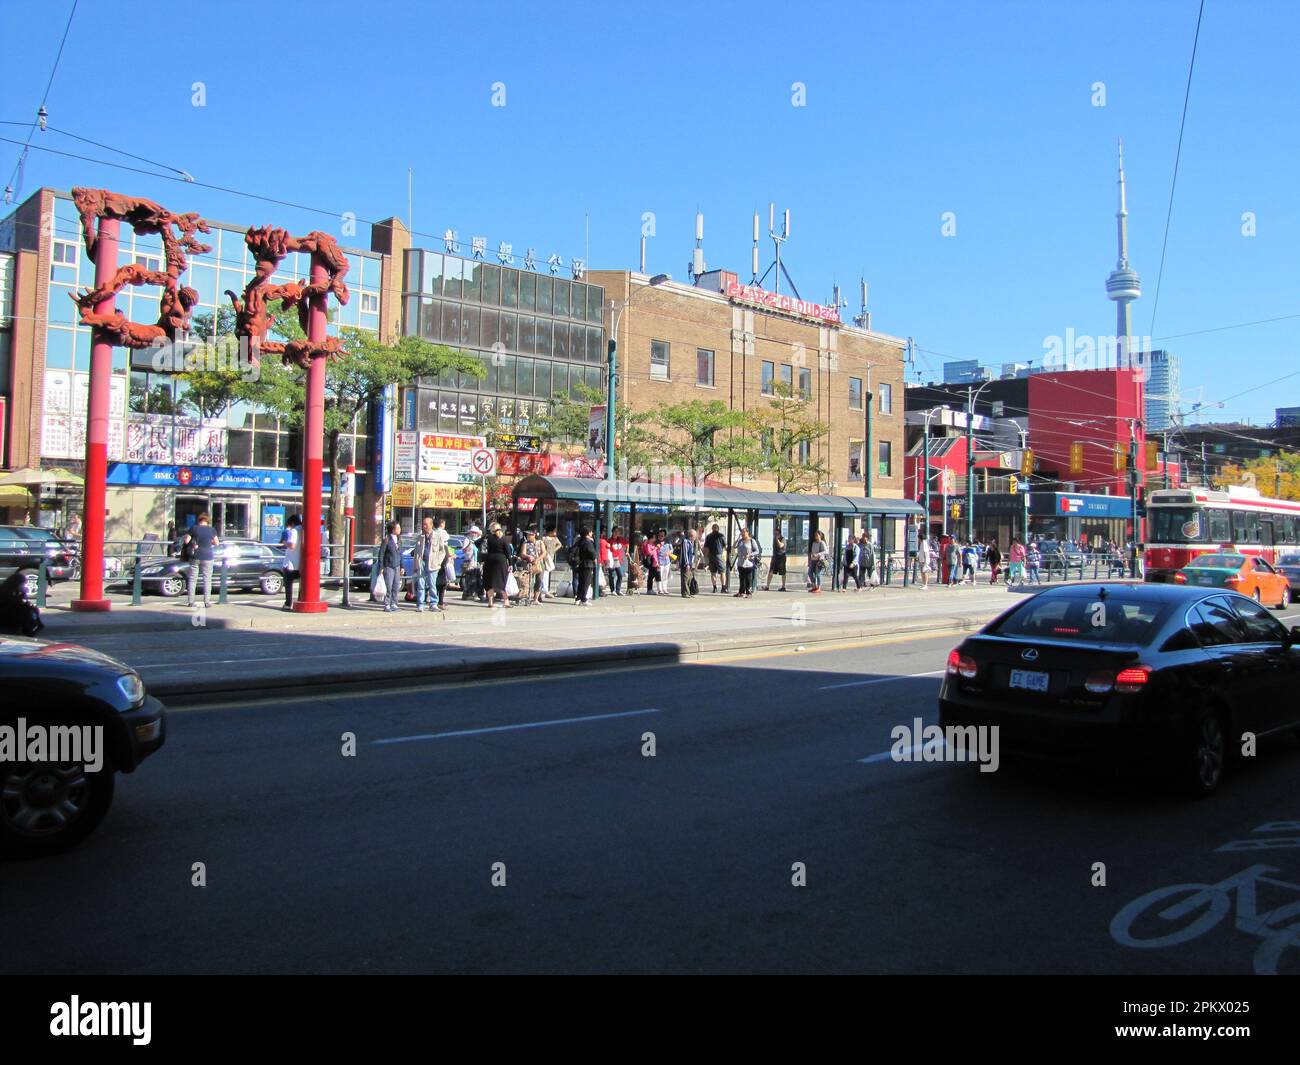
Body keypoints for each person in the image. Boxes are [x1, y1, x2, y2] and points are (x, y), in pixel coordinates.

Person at [183, 511, 220, 609]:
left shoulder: (194, 528)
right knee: (207, 579)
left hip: (195, 556)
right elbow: (217, 543)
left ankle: (191, 602)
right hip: (208, 556)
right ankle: (207, 602)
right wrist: (209, 542)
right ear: (207, 521)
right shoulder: (212, 530)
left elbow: (186, 541)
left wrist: (192, 542)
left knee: (192, 579)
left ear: (199, 520)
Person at [414, 516, 449, 613]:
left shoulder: (437, 536)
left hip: (433, 564)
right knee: (421, 584)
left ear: (431, 525)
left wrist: (438, 561)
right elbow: (417, 552)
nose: (424, 526)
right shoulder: (420, 537)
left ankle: (433, 603)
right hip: (422, 563)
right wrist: (416, 566)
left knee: (432, 584)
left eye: (426, 524)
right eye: (423, 524)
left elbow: (443, 551)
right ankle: (420, 604)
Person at [483, 523, 511, 608]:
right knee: (502, 582)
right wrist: (510, 563)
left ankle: (490, 602)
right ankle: (506, 602)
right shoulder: (503, 539)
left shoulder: (488, 538)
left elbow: (479, 545)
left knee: (490, 582)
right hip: (501, 561)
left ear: (492, 530)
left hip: (489, 560)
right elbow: (508, 552)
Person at [380, 520, 404, 612]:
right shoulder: (387, 539)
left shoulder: (399, 539)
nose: (399, 529)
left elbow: (400, 554)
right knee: (388, 586)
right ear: (392, 529)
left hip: (397, 565)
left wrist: (402, 566)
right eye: (397, 528)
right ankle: (387, 604)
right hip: (389, 565)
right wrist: (381, 567)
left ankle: (394, 603)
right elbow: (381, 553)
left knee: (396, 585)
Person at [279, 514, 302, 610]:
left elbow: (292, 545)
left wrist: (284, 542)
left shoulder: (294, 531)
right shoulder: (303, 529)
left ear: (292, 523)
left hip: (291, 562)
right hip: (302, 562)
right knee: (302, 584)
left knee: (288, 584)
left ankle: (288, 603)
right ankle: (301, 600)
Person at [572, 526, 598, 605]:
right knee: (586, 582)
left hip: (580, 564)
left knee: (581, 582)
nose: (592, 533)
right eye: (590, 532)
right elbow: (592, 553)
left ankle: (578, 598)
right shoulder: (588, 542)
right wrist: (595, 560)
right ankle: (583, 599)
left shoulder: (580, 541)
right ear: (588, 533)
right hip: (587, 564)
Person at [733, 527, 760, 598]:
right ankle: (741, 592)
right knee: (741, 579)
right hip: (740, 563)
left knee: (748, 579)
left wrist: (750, 555)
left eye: (744, 532)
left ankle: (749, 593)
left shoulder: (751, 541)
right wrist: (738, 538)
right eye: (742, 532)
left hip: (748, 563)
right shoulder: (740, 541)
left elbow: (757, 551)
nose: (742, 533)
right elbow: (734, 546)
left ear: (747, 533)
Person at [521, 528, 545, 605]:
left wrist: (537, 559)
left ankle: (536, 599)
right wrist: (528, 556)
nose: (528, 536)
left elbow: (544, 552)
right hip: (529, 564)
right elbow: (523, 554)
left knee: (539, 580)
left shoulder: (540, 542)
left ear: (534, 535)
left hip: (539, 564)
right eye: (527, 534)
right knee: (528, 581)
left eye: (530, 534)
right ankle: (527, 597)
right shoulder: (525, 543)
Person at [703, 523, 727, 593]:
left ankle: (714, 587)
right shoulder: (721, 536)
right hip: (718, 555)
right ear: (718, 529)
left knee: (713, 573)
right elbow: (725, 546)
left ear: (712, 529)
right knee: (722, 571)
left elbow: (706, 548)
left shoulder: (708, 536)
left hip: (711, 555)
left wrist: (706, 558)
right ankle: (723, 587)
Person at [460, 526, 482, 601]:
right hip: (469, 562)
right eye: (472, 532)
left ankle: (477, 593)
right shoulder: (467, 539)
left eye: (475, 532)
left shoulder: (479, 540)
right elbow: (463, 550)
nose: (474, 534)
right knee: (469, 579)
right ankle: (467, 594)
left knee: (478, 578)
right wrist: (469, 544)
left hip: (477, 562)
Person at [540, 526, 562, 601]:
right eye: (554, 531)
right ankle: (543, 590)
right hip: (545, 557)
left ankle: (546, 590)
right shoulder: (544, 538)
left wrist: (554, 550)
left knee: (548, 573)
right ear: (550, 532)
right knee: (544, 573)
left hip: (551, 557)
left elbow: (559, 544)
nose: (555, 533)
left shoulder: (555, 539)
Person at [679, 527, 699, 597]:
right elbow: (685, 553)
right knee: (685, 578)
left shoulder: (692, 542)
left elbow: (693, 553)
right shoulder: (685, 541)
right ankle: (684, 593)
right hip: (685, 563)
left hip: (691, 563)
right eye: (695, 536)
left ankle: (689, 592)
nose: (695, 538)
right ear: (691, 536)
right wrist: (687, 563)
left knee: (690, 578)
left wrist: (693, 563)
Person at [608, 527, 627, 596]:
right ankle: (612, 590)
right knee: (612, 575)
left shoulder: (621, 539)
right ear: (612, 532)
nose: (617, 533)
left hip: (619, 560)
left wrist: (626, 551)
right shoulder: (609, 540)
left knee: (620, 575)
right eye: (615, 531)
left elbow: (627, 544)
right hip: (612, 559)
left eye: (618, 531)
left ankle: (618, 590)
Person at [657, 531, 673, 596]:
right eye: (659, 535)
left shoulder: (668, 542)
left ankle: (665, 588)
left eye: (662, 535)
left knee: (665, 576)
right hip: (659, 561)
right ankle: (660, 589)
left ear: (665, 536)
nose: (660, 537)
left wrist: (668, 552)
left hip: (667, 561)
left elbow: (672, 550)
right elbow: (654, 552)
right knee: (659, 575)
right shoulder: (657, 543)